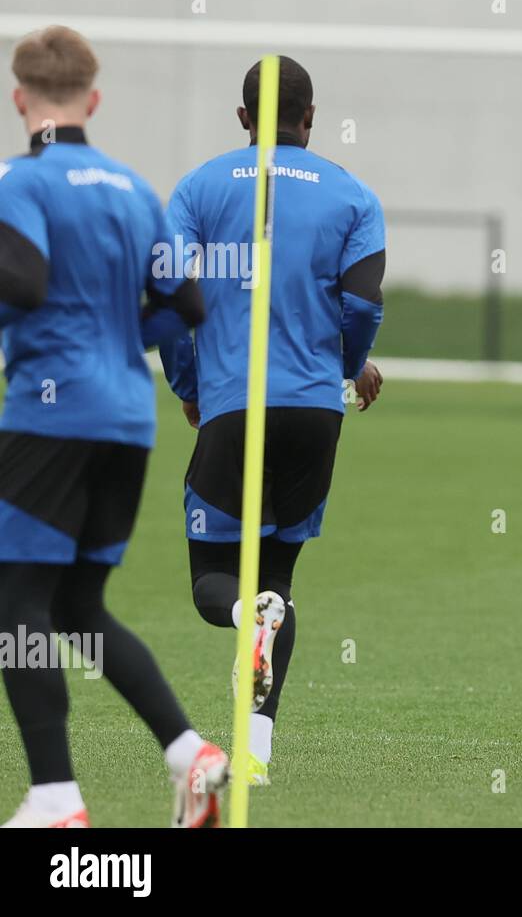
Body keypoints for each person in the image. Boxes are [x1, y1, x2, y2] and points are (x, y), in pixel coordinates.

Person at [0, 25, 225, 827]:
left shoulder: (19, 183)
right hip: (126, 417)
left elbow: (24, 284)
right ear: (91, 100)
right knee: (78, 607)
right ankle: (190, 755)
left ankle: (57, 798)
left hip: (49, 414)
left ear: (21, 99)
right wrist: (118, 343)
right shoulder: (134, 189)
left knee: (16, 599)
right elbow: (188, 307)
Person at [160, 55, 385, 786]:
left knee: (214, 585)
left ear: (242, 118)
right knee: (276, 586)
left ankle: (242, 624)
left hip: (233, 407)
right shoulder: (352, 195)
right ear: (310, 118)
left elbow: (167, 300)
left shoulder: (197, 189)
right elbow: (363, 306)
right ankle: (254, 749)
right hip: (316, 412)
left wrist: (190, 385)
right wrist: (349, 367)